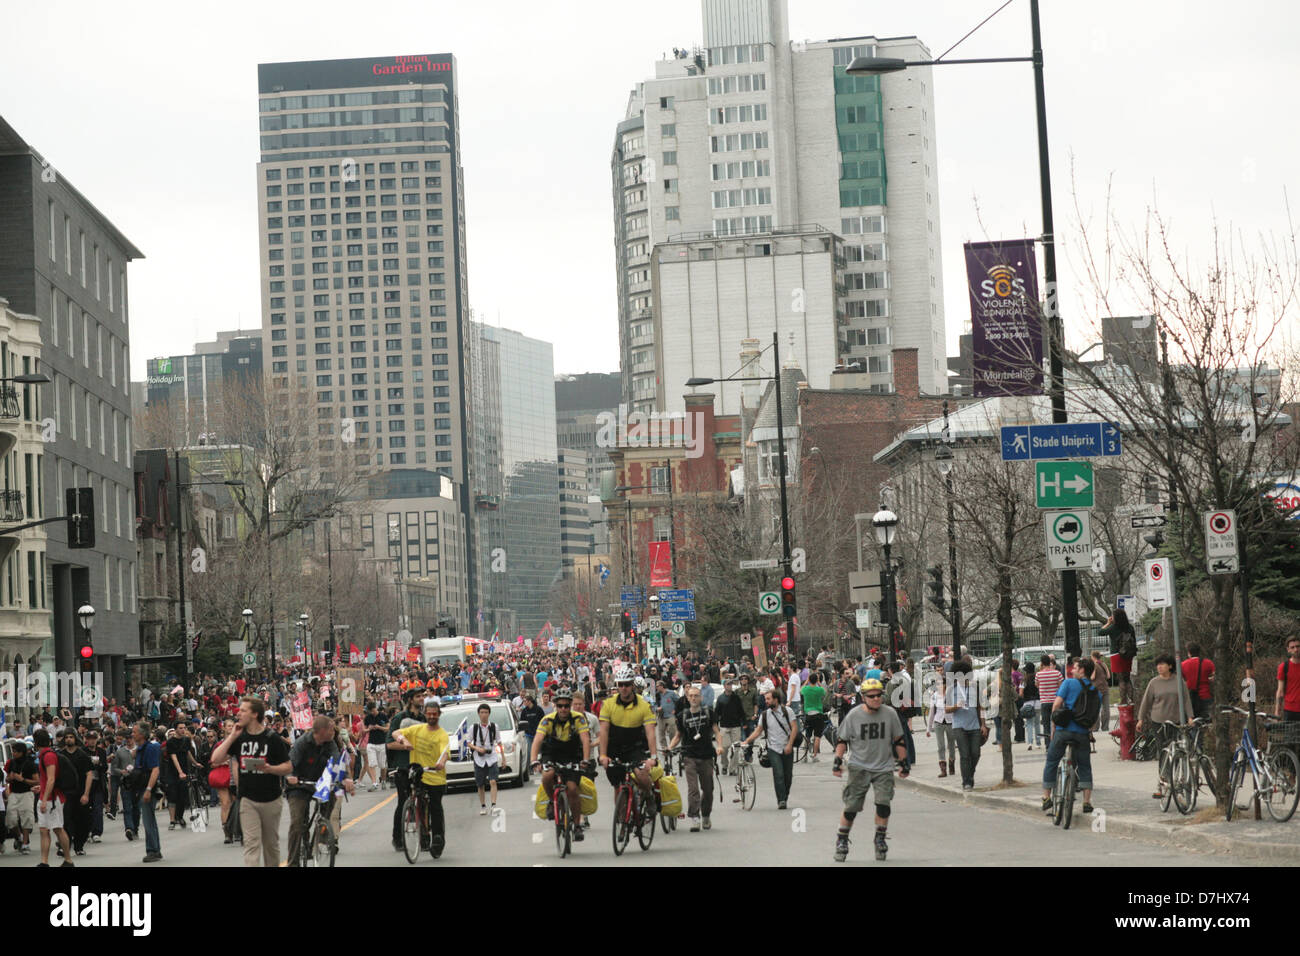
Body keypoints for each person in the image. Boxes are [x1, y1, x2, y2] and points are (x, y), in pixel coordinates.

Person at [832, 676, 908, 862]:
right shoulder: (854, 715)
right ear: (863, 697)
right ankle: (841, 840)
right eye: (871, 696)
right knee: (851, 807)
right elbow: (842, 740)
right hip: (859, 766)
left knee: (884, 805)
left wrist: (904, 762)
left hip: (883, 766)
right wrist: (837, 761)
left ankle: (880, 838)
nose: (876, 699)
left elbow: (898, 739)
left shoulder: (890, 713)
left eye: (878, 695)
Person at [210, 696, 293, 867]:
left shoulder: (272, 738)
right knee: (251, 844)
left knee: (270, 845)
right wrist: (232, 735)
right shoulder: (239, 738)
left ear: (255, 714)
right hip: (247, 799)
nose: (238, 713)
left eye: (243, 710)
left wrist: (270, 769)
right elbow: (216, 759)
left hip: (271, 799)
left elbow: (288, 767)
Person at [285, 715, 355, 866]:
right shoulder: (302, 743)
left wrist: (346, 778)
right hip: (299, 784)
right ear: (322, 731)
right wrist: (290, 776)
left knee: (333, 793)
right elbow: (290, 763)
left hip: (319, 782)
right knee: (297, 824)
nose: (334, 732)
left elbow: (337, 760)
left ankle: (323, 829)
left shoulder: (329, 743)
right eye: (331, 729)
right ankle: (293, 862)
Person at [391, 699, 451, 857]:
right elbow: (395, 733)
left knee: (435, 807)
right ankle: (423, 835)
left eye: (434, 714)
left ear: (439, 715)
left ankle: (438, 838)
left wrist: (441, 763)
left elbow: (445, 752)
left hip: (435, 776)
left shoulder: (442, 734)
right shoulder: (417, 729)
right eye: (429, 714)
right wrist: (403, 741)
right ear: (425, 714)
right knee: (418, 802)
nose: (431, 716)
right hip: (418, 773)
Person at [1040, 657, 1101, 815]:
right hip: (1082, 734)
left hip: (1063, 730)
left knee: (1052, 760)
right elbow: (1094, 718)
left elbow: (1056, 705)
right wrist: (1088, 730)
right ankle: (1086, 802)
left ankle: (1046, 797)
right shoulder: (1096, 692)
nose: (1072, 670)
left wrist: (1054, 726)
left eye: (1074, 668)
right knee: (1085, 766)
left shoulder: (1068, 683)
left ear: (1081, 670)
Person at [530, 687, 591, 840]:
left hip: (572, 755)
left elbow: (585, 740)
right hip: (552, 754)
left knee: (572, 789)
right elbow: (537, 740)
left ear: (570, 705)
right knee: (547, 776)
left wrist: (585, 760)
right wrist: (533, 761)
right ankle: (552, 801)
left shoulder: (579, 718)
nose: (563, 709)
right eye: (560, 706)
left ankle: (577, 825)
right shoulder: (547, 720)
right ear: (555, 706)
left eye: (566, 706)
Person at [1137, 654, 1195, 800]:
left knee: (1177, 751)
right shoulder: (1154, 683)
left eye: (1162, 664)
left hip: (1176, 721)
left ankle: (1176, 780)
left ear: (1170, 666)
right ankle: (1163, 783)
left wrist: (1190, 717)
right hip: (1158, 721)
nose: (1159, 667)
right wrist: (1140, 719)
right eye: (1158, 665)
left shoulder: (1178, 681)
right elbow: (1146, 702)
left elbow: (1186, 699)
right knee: (1163, 751)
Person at [667, 684, 722, 831]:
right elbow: (678, 736)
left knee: (708, 789)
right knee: (693, 789)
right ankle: (694, 817)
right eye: (690, 695)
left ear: (701, 697)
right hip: (689, 755)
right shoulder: (682, 716)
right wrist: (670, 747)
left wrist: (720, 746)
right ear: (687, 697)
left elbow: (716, 732)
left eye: (696, 695)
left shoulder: (709, 713)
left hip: (706, 755)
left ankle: (705, 815)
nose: (693, 698)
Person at [598, 666, 658, 799]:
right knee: (617, 787)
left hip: (634, 747)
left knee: (642, 776)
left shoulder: (643, 704)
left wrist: (653, 757)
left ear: (632, 686)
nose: (623, 688)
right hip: (614, 748)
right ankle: (620, 818)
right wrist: (602, 755)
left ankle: (649, 797)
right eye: (620, 685)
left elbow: (650, 733)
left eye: (627, 684)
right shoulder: (608, 704)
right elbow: (604, 732)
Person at [741, 688, 799, 809]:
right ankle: (781, 800)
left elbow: (794, 728)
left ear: (776, 699)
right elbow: (758, 731)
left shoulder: (787, 711)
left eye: (768, 699)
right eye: (765, 699)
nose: (766, 701)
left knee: (788, 776)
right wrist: (746, 741)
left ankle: (784, 795)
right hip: (773, 748)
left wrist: (790, 744)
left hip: (787, 747)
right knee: (778, 774)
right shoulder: (765, 715)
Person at [387, 692, 424, 851]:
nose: (421, 698)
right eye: (418, 696)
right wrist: (406, 746)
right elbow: (389, 743)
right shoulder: (399, 718)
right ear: (410, 700)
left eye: (422, 696)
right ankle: (397, 839)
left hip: (420, 764)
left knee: (423, 800)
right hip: (402, 764)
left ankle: (424, 838)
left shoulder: (423, 718)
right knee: (403, 801)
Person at [33, 729, 73, 868]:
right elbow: (47, 780)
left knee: (57, 829)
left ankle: (68, 859)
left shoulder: (48, 756)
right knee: (44, 830)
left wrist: (44, 799)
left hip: (52, 799)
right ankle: (44, 862)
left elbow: (51, 779)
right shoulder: (43, 755)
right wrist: (41, 789)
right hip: (46, 796)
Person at [949, 657, 986, 791]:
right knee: (965, 754)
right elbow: (947, 709)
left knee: (976, 753)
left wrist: (983, 724)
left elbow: (980, 708)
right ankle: (967, 782)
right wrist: (956, 706)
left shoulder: (974, 688)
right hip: (959, 726)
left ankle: (969, 774)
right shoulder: (951, 690)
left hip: (975, 725)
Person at [467, 702, 501, 815]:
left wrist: (504, 758)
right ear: (478, 714)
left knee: (493, 781)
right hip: (479, 758)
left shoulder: (494, 727)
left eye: (486, 712)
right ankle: (483, 806)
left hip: (492, 757)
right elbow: (468, 742)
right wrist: (477, 748)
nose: (484, 715)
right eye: (482, 712)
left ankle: (494, 805)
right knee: (480, 784)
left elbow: (499, 742)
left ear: (489, 713)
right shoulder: (474, 727)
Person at [62, 731, 93, 856]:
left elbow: (89, 774)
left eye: (71, 737)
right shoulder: (61, 755)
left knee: (83, 821)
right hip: (66, 793)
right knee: (66, 821)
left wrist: (86, 794)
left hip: (80, 793)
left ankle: (79, 845)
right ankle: (66, 845)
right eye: (67, 737)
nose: (69, 739)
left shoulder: (82, 755)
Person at [4, 741, 38, 854]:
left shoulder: (30, 763)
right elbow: (6, 778)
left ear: (21, 752)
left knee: (26, 818)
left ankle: (25, 843)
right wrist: (10, 778)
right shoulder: (11, 763)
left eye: (15, 751)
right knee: (11, 818)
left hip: (27, 793)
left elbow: (36, 781)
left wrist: (22, 780)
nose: (13, 753)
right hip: (14, 793)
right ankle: (18, 837)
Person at [1100, 608, 1138, 705]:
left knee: (1121, 679)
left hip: (1116, 655)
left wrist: (1108, 622)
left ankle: (1123, 701)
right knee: (1127, 678)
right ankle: (1132, 700)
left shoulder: (1113, 627)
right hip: (1128, 655)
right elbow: (1134, 641)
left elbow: (1100, 632)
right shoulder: (1129, 627)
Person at [926, 672, 955, 776]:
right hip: (938, 723)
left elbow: (955, 710)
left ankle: (952, 764)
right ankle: (943, 769)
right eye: (937, 684)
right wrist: (928, 728)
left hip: (950, 722)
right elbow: (931, 713)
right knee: (940, 746)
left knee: (951, 745)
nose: (939, 686)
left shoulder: (951, 695)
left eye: (941, 684)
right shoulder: (934, 696)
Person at [715, 677, 747, 774]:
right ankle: (724, 765)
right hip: (724, 726)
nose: (730, 686)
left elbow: (741, 710)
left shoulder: (736, 697)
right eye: (728, 684)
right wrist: (715, 726)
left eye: (731, 684)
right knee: (724, 747)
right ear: (724, 686)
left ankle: (732, 769)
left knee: (737, 748)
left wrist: (744, 723)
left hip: (736, 726)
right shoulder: (720, 698)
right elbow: (717, 713)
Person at [1180, 644, 1215, 721]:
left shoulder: (1183, 665)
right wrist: (1208, 680)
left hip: (1190, 698)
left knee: (1192, 722)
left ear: (1189, 653)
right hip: (1205, 696)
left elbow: (1180, 680)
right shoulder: (1208, 663)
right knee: (1207, 722)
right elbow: (1215, 676)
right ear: (1199, 652)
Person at [800, 672, 829, 761]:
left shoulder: (805, 689)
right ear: (816, 680)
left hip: (808, 715)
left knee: (807, 736)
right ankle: (814, 755)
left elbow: (800, 690)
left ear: (809, 680)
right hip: (818, 714)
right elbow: (825, 691)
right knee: (817, 736)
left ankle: (805, 755)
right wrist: (819, 683)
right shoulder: (819, 690)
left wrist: (806, 681)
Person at [1036, 654, 1064, 744]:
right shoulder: (1057, 673)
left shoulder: (1038, 674)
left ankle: (1048, 744)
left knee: (1046, 724)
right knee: (1057, 723)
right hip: (1056, 701)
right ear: (1050, 662)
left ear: (1042, 663)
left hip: (1044, 702)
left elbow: (1037, 685)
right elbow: (1061, 687)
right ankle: (1057, 741)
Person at [363, 701, 389, 791]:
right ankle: (374, 783)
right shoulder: (367, 718)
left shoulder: (383, 716)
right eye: (371, 711)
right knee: (372, 763)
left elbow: (387, 728)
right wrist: (368, 729)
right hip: (371, 743)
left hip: (382, 742)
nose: (373, 712)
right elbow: (363, 729)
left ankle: (384, 780)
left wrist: (379, 727)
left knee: (382, 765)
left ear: (376, 708)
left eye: (373, 710)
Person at [1276, 636, 1300, 720]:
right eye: (1292, 647)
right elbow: (1280, 691)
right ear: (1288, 649)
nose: (1296, 649)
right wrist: (1277, 713)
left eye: (1297, 646)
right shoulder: (1284, 667)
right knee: (1290, 733)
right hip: (1290, 711)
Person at [1020, 663, 1041, 750]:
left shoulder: (1023, 680)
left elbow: (1021, 693)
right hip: (1038, 703)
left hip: (1028, 704)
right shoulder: (1038, 679)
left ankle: (1030, 743)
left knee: (1029, 724)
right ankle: (1038, 743)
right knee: (1037, 723)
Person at [1090, 652, 1112, 732]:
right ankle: (1105, 727)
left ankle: (1095, 727)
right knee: (1106, 708)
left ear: (1094, 657)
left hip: (1097, 689)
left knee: (1096, 708)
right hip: (1105, 688)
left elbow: (1092, 677)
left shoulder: (1094, 665)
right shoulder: (1104, 664)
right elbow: (1109, 676)